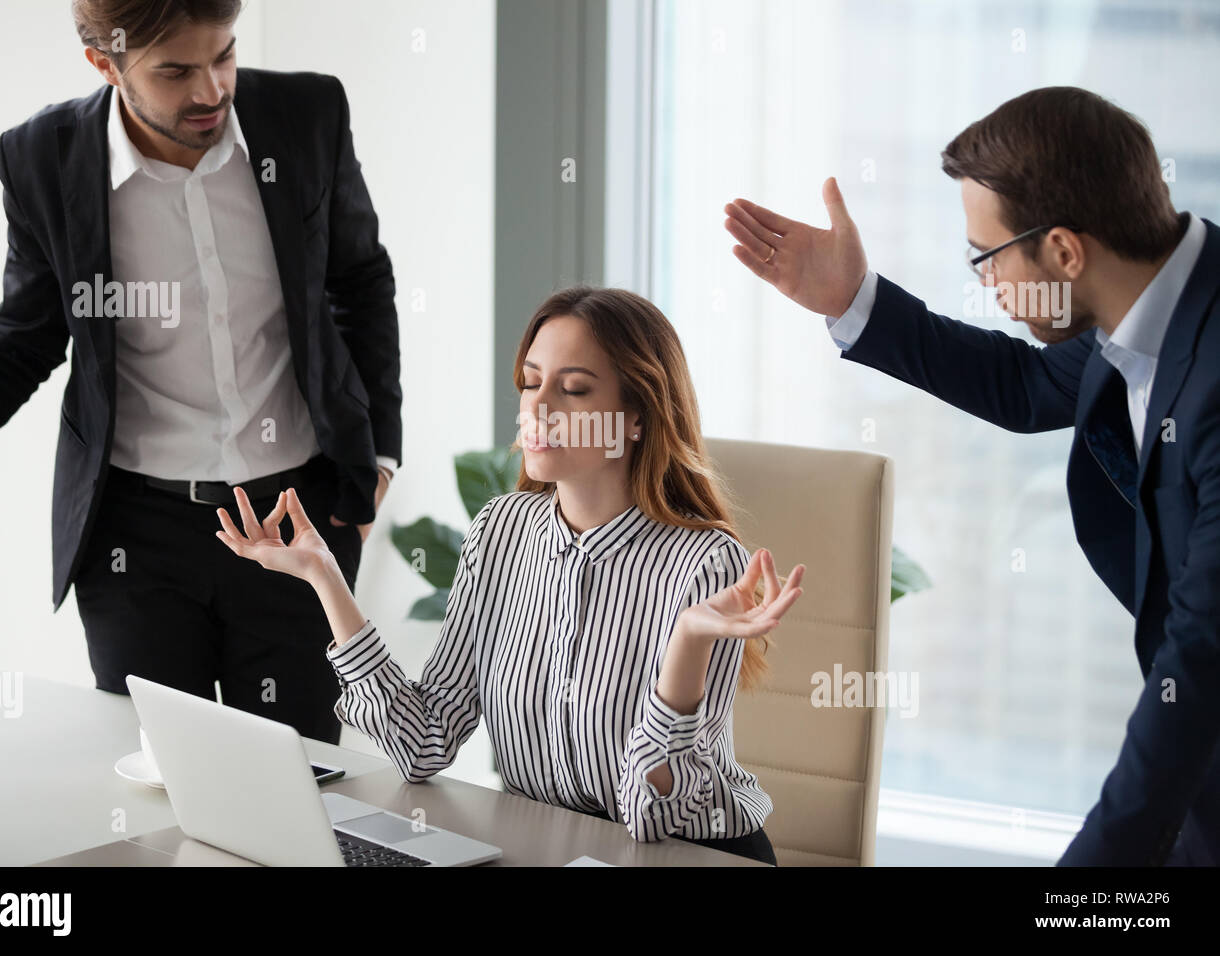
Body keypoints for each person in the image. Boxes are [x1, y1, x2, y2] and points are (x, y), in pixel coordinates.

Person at [725, 86, 1219, 867]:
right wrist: (853, 301)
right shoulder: (1153, 301)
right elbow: (1025, 387)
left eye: (986, 256)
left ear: (1062, 251)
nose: (984, 282)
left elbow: (1201, 660)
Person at [0, 0, 402, 745]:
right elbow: (27, 335)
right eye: (175, 70)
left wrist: (380, 455)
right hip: (135, 538)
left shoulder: (306, 114)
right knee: (164, 786)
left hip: (295, 519)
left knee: (304, 784)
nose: (210, 90)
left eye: (224, 57)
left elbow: (360, 281)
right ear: (105, 63)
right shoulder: (42, 157)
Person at [215, 286, 803, 866]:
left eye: (573, 389)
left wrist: (686, 645)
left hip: (693, 854)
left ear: (636, 419)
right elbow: (424, 742)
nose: (537, 408)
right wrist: (325, 577)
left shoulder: (704, 564)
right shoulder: (500, 530)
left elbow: (652, 817)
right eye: (530, 381)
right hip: (548, 847)